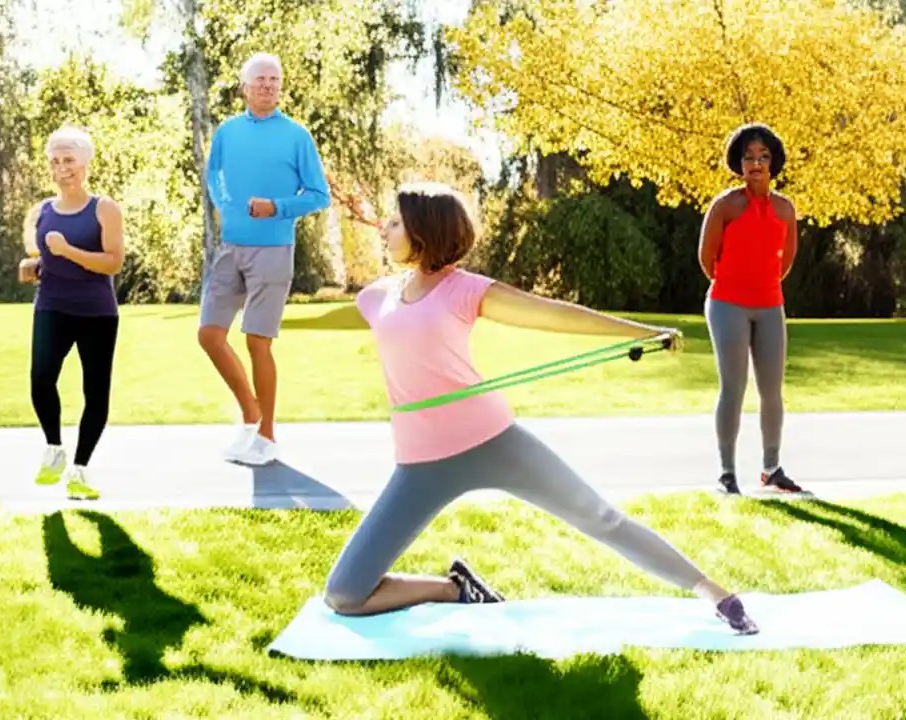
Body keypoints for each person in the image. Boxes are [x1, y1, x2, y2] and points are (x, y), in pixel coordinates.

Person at [321, 181, 759, 635]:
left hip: (492, 440)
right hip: (419, 463)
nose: (385, 229)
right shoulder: (374, 298)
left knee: (599, 517)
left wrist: (640, 332)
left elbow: (554, 313)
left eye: (395, 221)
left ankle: (714, 592)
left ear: (423, 231)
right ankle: (456, 589)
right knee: (345, 595)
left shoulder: (466, 290)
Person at [198, 51, 330, 466]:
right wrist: (224, 203)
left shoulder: (296, 136)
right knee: (209, 335)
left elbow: (318, 195)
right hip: (230, 247)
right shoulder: (227, 131)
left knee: (257, 341)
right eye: (261, 79)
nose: (268, 85)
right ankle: (251, 414)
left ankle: (267, 436)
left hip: (273, 249)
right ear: (245, 86)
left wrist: (275, 207)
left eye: (275, 79)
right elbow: (214, 173)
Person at [697, 123, 806, 496]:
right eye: (748, 158)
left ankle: (771, 468)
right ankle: (727, 472)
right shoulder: (726, 205)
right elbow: (706, 257)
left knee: (772, 391)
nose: (755, 164)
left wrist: (763, 286)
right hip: (727, 304)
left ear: (773, 163)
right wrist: (733, 284)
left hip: (770, 306)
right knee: (733, 387)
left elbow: (787, 260)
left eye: (762, 157)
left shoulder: (785, 209)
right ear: (738, 164)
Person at [17, 125, 125, 501]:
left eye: (69, 160)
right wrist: (30, 267)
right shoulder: (42, 211)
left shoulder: (104, 209)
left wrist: (68, 252)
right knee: (41, 377)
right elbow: (42, 258)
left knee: (95, 392)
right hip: (52, 307)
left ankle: (80, 469)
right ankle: (54, 448)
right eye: (55, 160)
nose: (62, 168)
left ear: (86, 163)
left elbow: (113, 263)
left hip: (96, 313)